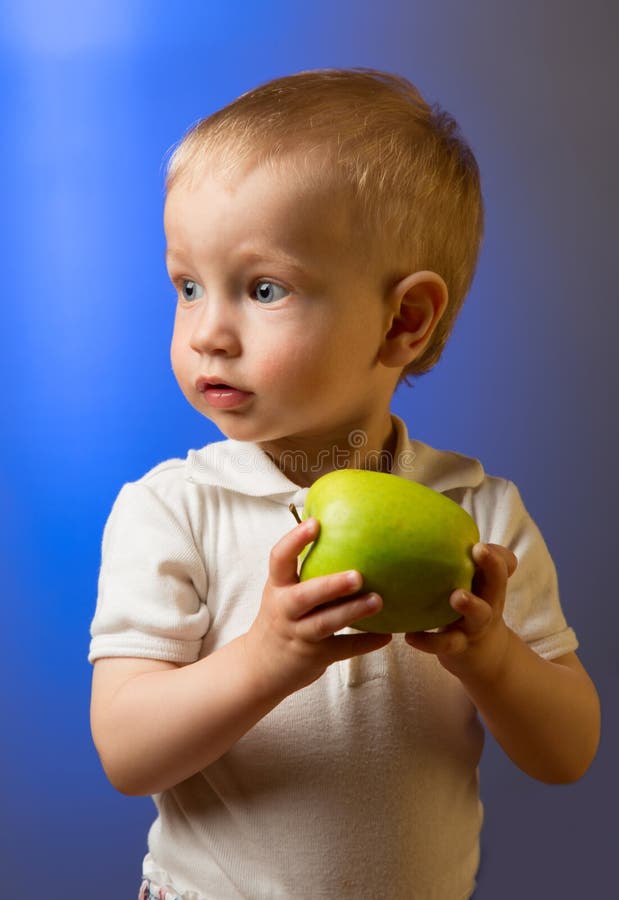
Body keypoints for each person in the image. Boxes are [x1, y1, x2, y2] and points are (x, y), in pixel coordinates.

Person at [88, 68, 600, 900]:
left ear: (404, 321)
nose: (208, 332)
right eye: (187, 286)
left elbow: (566, 753)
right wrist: (266, 657)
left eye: (262, 289)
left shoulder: (478, 518)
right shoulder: (172, 511)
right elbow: (125, 751)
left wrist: (491, 657)